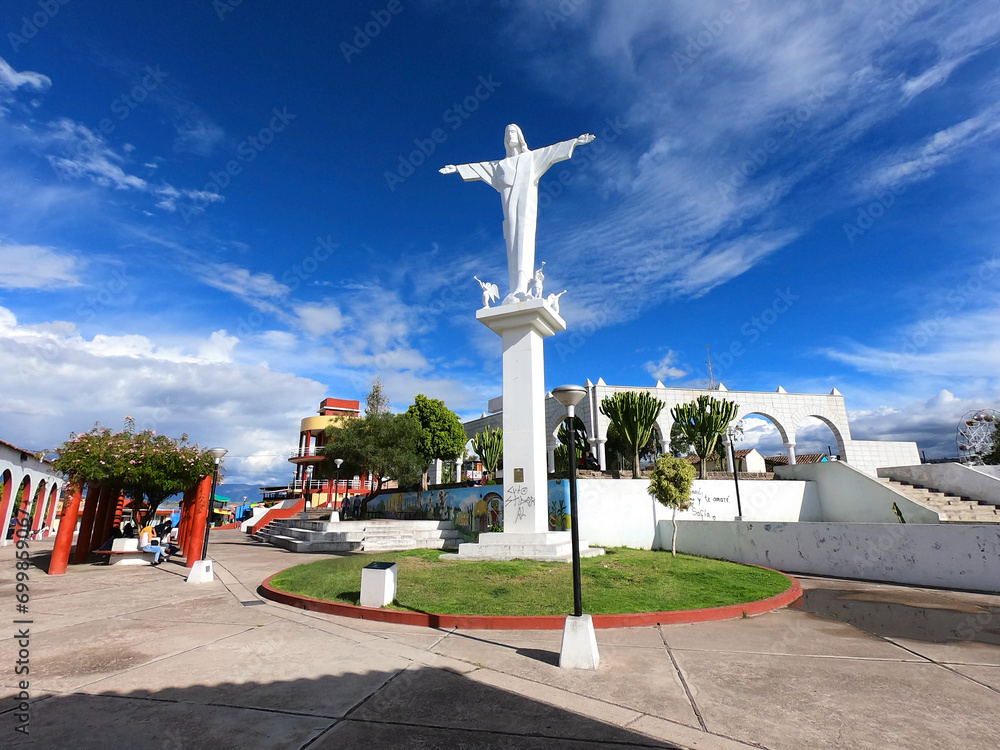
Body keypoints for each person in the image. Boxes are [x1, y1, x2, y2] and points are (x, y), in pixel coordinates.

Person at [440, 125, 595, 301]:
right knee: (512, 238)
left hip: (526, 206)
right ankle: (515, 286)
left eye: (512, 132)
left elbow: (552, 151)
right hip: (508, 206)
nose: (509, 135)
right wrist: (458, 169)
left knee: (523, 236)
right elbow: (480, 168)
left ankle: (523, 283)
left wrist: (575, 142)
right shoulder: (500, 165)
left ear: (520, 136)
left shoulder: (531, 157)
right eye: (507, 133)